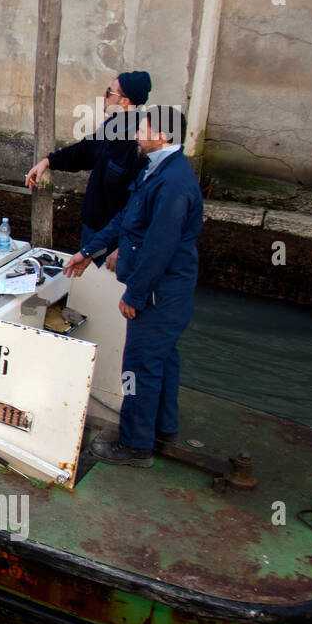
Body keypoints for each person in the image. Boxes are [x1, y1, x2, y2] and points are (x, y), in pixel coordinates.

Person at [62, 106, 200, 467]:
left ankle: (136, 445)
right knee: (163, 358)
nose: (138, 131)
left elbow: (160, 246)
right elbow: (127, 218)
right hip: (168, 290)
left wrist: (136, 294)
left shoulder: (172, 184)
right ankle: (162, 428)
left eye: (145, 126)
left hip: (160, 292)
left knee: (139, 365)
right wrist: (88, 252)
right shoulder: (160, 172)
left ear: (164, 136)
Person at [25, 70, 152, 268]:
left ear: (125, 102)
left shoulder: (139, 146)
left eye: (110, 92)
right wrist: (48, 161)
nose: (104, 96)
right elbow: (84, 151)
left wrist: (125, 246)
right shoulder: (112, 126)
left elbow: (140, 205)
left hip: (115, 239)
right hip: (93, 229)